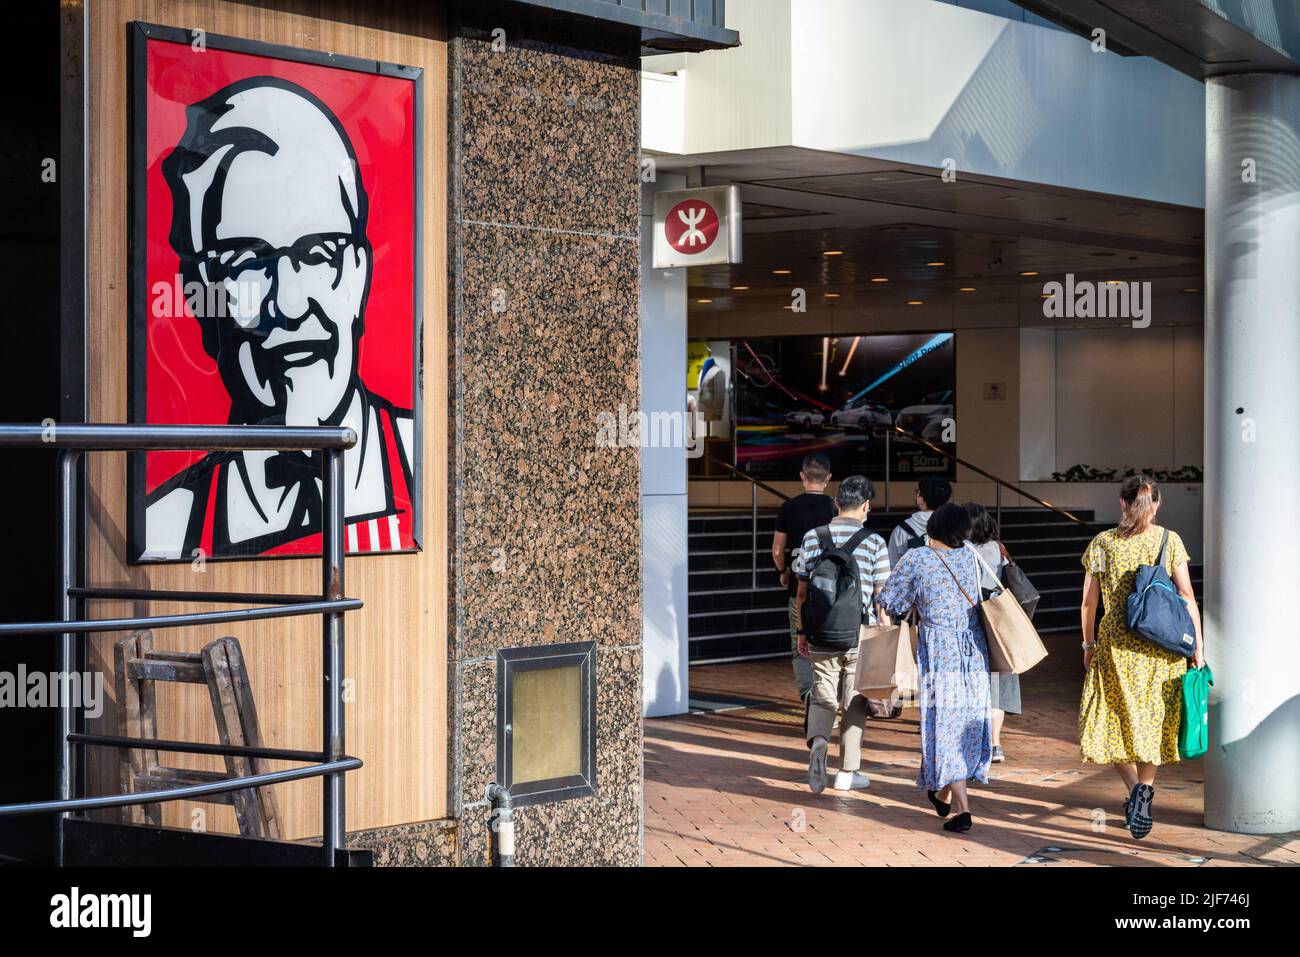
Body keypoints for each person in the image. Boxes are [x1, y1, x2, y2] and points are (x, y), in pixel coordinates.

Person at [145, 78, 415, 560]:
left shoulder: (431, 478)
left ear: (357, 275)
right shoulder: (165, 528)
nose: (289, 304)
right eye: (248, 260)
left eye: (317, 253)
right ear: (204, 300)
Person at [1078, 475, 1203, 841]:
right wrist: (1198, 648)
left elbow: (1089, 602)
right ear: (1157, 504)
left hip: (1116, 644)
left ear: (1122, 503)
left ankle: (1134, 788)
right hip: (1161, 646)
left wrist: (1088, 645)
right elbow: (1187, 596)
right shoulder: (1170, 540)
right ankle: (1144, 791)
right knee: (1151, 723)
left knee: (1108, 720)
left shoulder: (1102, 543)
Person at [880, 503, 991, 832]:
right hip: (973, 650)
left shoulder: (918, 558)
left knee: (944, 726)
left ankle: (963, 809)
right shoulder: (971, 554)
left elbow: (891, 601)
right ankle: (942, 793)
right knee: (965, 724)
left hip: (940, 651)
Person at [794, 475, 891, 794]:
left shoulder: (812, 537)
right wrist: (883, 634)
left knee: (822, 694)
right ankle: (848, 772)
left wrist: (802, 631)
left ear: (836, 503)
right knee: (854, 700)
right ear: (865, 505)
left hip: (820, 630)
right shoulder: (874, 541)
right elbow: (881, 597)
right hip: (858, 633)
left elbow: (803, 591)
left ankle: (819, 741)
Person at [771, 454, 835, 706]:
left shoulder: (789, 507)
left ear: (802, 476)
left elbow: (777, 549)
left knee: (800, 645)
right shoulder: (834, 507)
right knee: (828, 644)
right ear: (828, 478)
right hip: (831, 588)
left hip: (799, 586)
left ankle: (808, 693)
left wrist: (783, 571)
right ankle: (828, 696)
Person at [963, 502, 1021, 763]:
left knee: (972, 682)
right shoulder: (999, 548)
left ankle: (974, 743)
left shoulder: (960, 551)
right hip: (998, 619)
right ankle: (995, 744)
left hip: (971, 620)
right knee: (999, 680)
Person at [887, 476, 952, 567]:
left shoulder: (901, 530)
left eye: (918, 492)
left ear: (921, 498)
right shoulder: (955, 527)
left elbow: (893, 566)